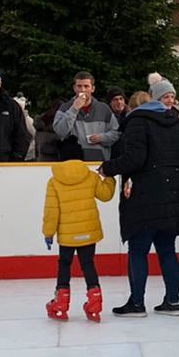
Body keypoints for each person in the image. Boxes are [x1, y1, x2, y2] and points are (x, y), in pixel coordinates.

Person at [102, 77, 179, 317]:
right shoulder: (178, 123)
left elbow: (135, 158)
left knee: (138, 249)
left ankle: (137, 303)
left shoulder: (138, 121)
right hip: (174, 196)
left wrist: (108, 167)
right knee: (167, 248)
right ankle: (173, 301)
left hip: (145, 196)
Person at [42, 137, 115, 322]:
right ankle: (95, 301)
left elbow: (52, 211)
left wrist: (48, 233)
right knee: (88, 264)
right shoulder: (90, 176)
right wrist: (109, 178)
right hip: (89, 232)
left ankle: (61, 302)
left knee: (64, 264)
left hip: (67, 236)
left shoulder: (54, 181)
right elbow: (106, 196)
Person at [53, 70, 120, 161]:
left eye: (86, 86)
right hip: (73, 163)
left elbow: (116, 133)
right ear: (74, 88)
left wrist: (102, 137)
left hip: (98, 162)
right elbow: (60, 131)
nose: (83, 90)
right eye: (79, 86)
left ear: (92, 89)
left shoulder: (104, 109)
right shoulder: (65, 108)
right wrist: (74, 109)